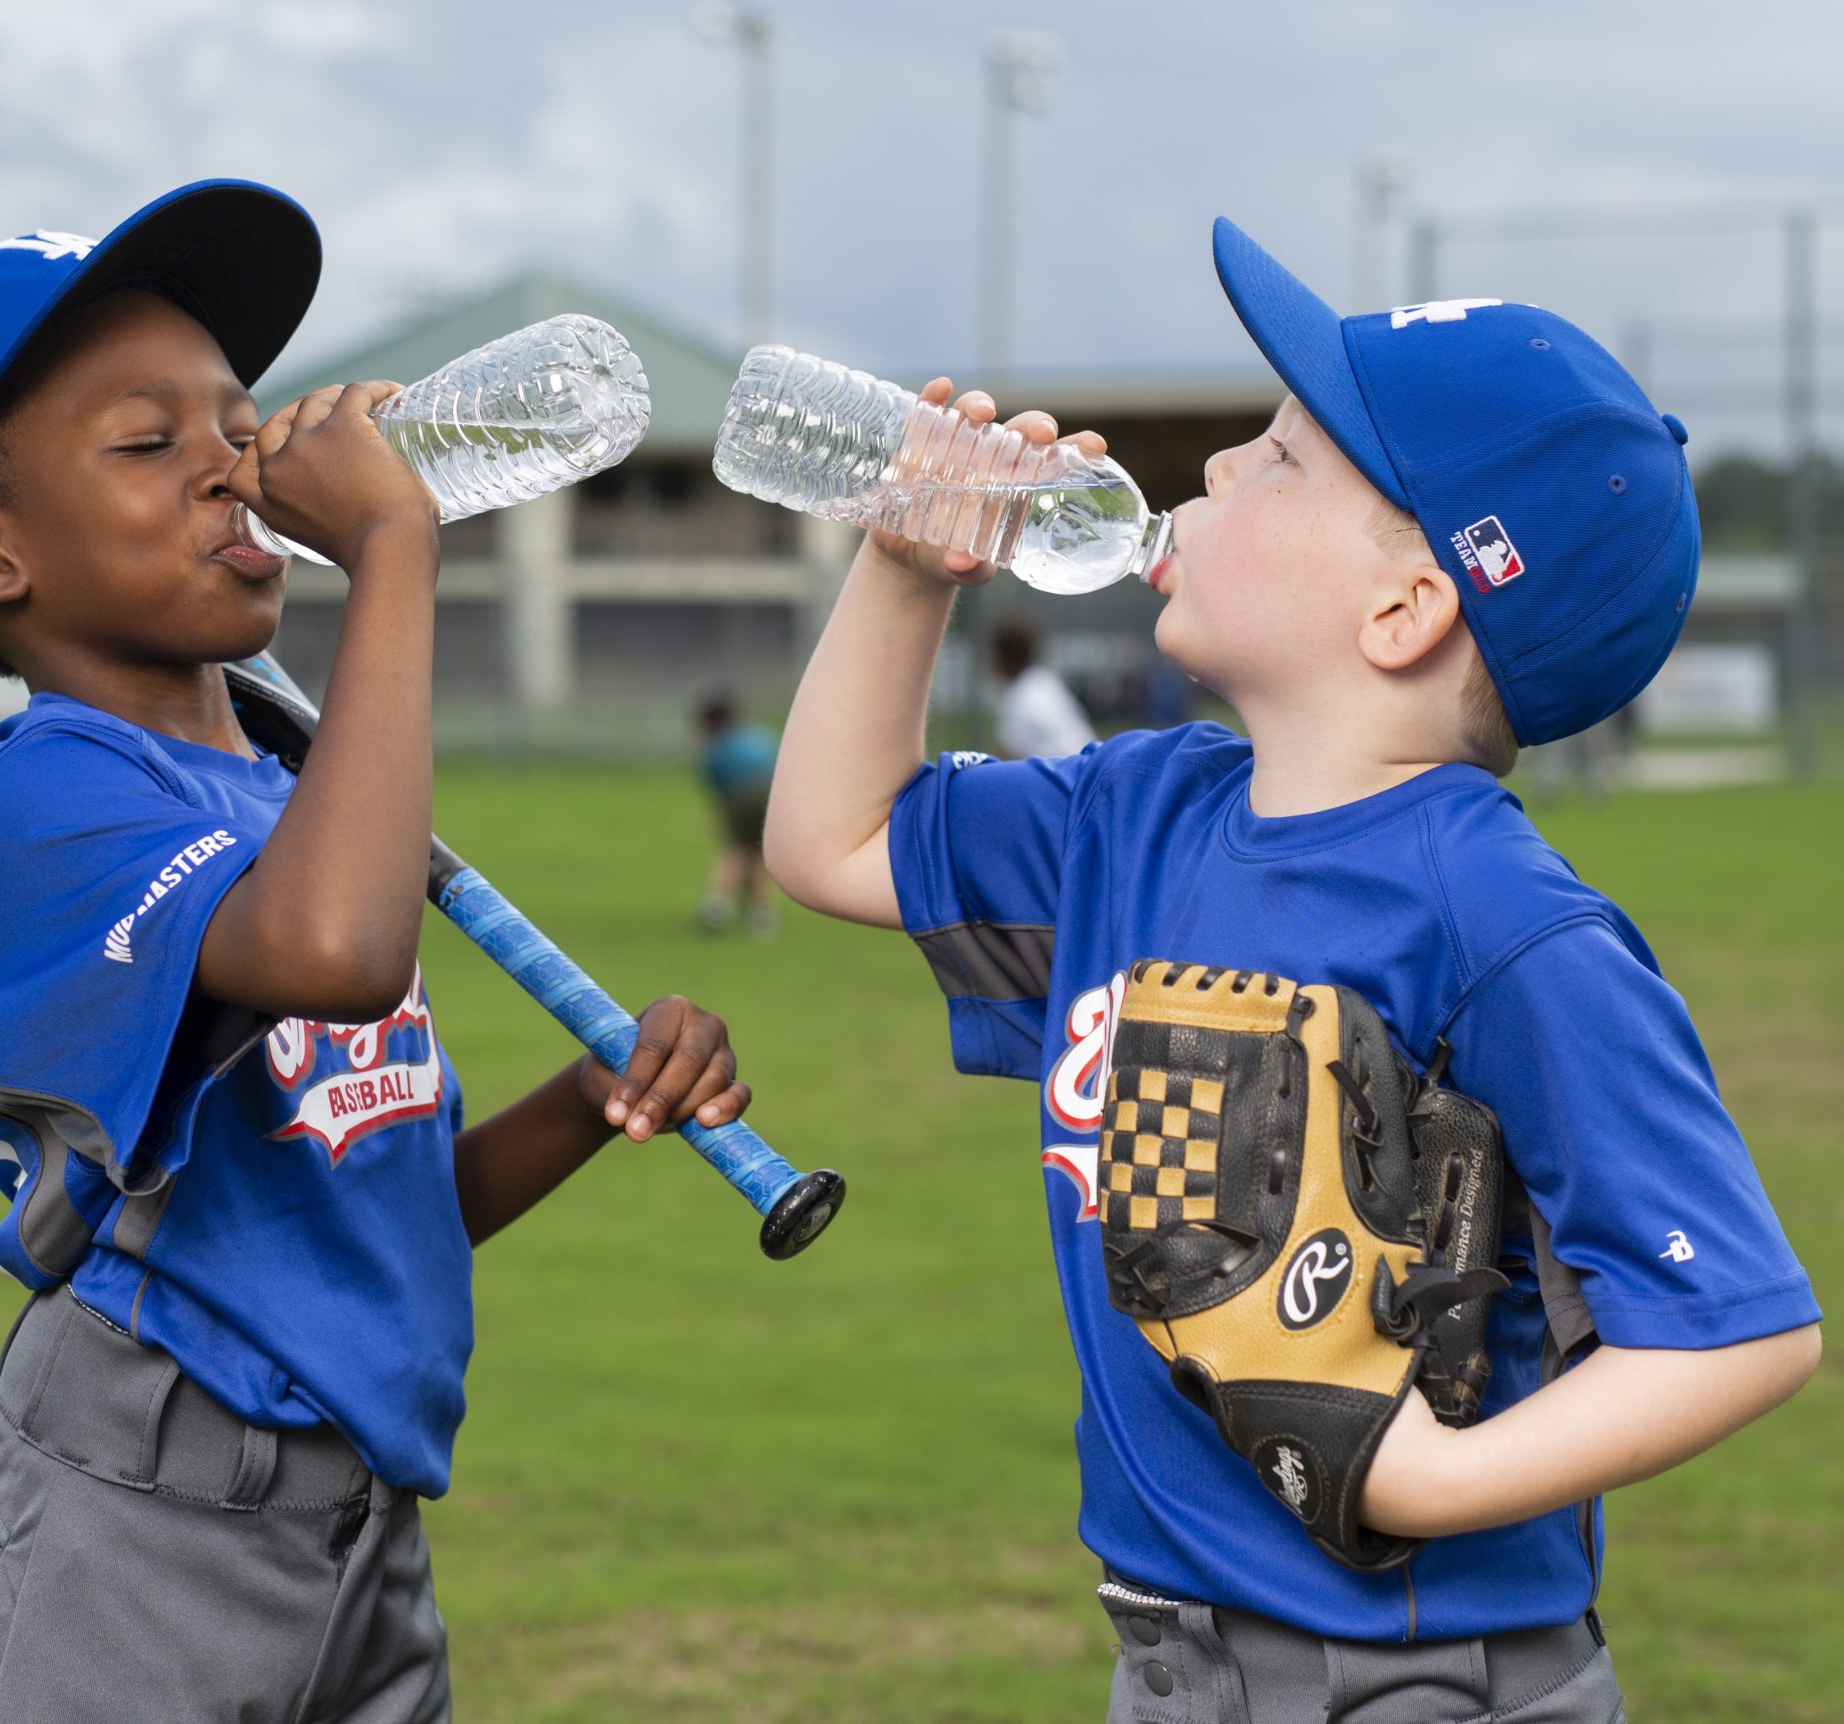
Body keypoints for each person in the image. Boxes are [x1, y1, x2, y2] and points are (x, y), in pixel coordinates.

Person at [762, 221, 1821, 1721]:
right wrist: (903, 569)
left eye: (1278, 459)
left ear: (1406, 610)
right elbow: (834, 838)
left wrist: (1436, 1481)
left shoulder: (1499, 920)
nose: (1209, 475)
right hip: (1175, 1659)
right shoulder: (1134, 812)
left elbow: (1742, 1330)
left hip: (1422, 1678)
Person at [0, 180, 755, 1724]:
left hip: (353, 1526)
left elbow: (381, 1215)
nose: (237, 467)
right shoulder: (52, 791)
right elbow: (335, 950)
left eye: (242, 421)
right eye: (149, 444)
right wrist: (396, 548)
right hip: (134, 1530)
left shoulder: (285, 790)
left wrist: (594, 1098)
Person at [694, 691, 781, 936]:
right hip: (773, 792)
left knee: (737, 849)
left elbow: (720, 791)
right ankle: (762, 914)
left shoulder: (715, 748)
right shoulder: (758, 735)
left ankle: (719, 904)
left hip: (741, 793)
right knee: (761, 853)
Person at [990, 614, 1097, 758]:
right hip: (1088, 764)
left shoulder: (1018, 697)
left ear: (1001, 657)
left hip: (1065, 774)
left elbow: (1011, 758)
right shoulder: (1044, 681)